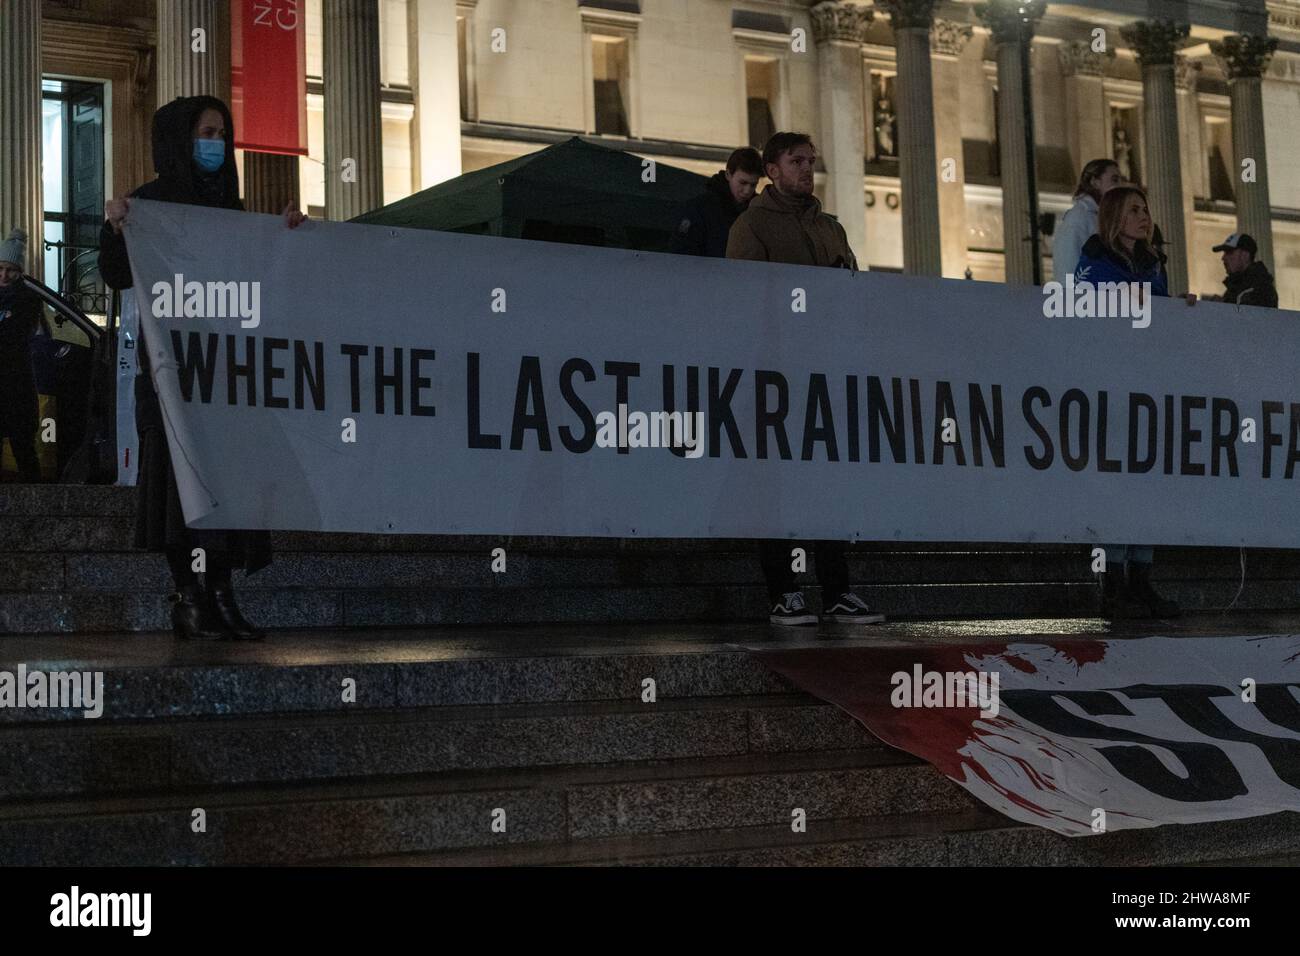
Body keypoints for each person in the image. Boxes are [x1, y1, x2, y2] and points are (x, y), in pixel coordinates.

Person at [99, 95, 306, 641]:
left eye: (221, 133)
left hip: (227, 379)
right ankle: (191, 597)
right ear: (179, 139)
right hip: (173, 379)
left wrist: (290, 236)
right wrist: (117, 227)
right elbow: (117, 275)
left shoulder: (234, 212)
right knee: (177, 492)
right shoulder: (147, 205)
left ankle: (220, 593)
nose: (216, 143)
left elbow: (265, 279)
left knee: (226, 490)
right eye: (206, 133)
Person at [726, 131, 883, 628]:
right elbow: (745, 303)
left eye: (810, 162)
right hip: (774, 372)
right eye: (796, 161)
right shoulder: (750, 227)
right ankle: (784, 591)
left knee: (827, 479)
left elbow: (853, 291)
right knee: (775, 481)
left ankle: (837, 589)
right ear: (771, 169)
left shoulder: (830, 228)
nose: (806, 170)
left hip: (828, 370)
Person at [1074, 185, 1181, 619]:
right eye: (1135, 209)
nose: (1145, 216)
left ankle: (1141, 579)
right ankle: (1112, 582)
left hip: (1148, 385)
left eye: (1146, 208)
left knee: (1146, 483)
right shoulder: (1094, 259)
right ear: (1116, 216)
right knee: (1117, 485)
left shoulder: (1153, 264)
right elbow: (1090, 310)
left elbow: (1158, 317)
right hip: (1109, 384)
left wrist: (1181, 310)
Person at [0, 228, 42, 482]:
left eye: (10, 270)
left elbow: (16, 334)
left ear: (19, 272)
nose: (4, 275)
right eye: (0, 269)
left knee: (22, 444)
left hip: (16, 382)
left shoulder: (27, 298)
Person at [670, 147, 762, 257]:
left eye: (753, 185)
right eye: (742, 183)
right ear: (728, 175)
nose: (747, 191)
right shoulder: (700, 209)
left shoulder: (758, 210)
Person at [1052, 158, 1122, 284]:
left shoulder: (1103, 218)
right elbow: (1068, 268)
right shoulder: (1078, 218)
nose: (1119, 187)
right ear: (1095, 182)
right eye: (1114, 180)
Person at [1207, 233, 1278, 308]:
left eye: (1229, 252)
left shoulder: (1262, 287)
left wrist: (1224, 305)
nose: (1223, 258)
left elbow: (1251, 316)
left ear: (1245, 255)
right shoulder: (1236, 286)